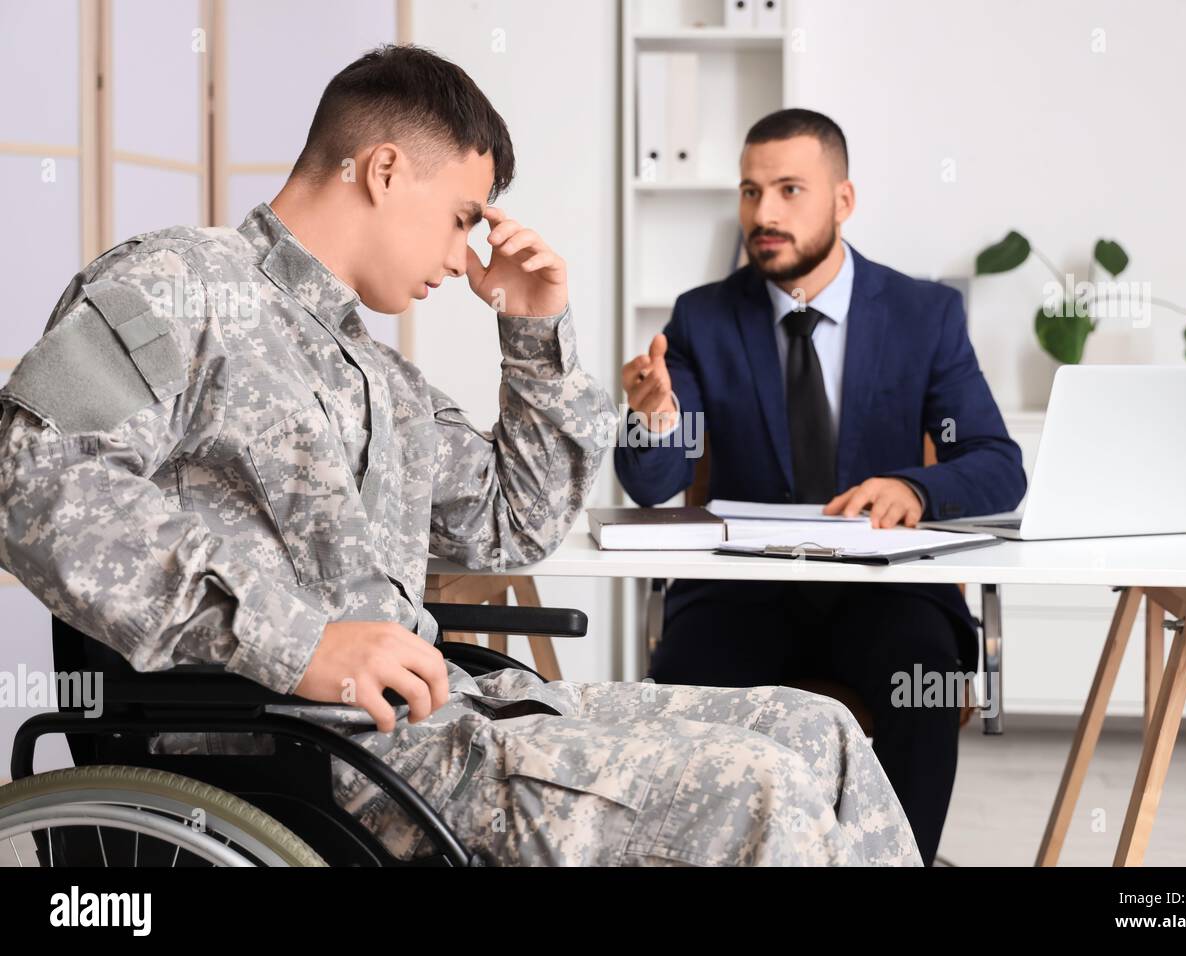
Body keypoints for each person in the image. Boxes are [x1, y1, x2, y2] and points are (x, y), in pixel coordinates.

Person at [0, 48, 920, 866]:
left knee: (823, 731)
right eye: (462, 215)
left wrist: (533, 330)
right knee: (760, 789)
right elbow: (29, 478)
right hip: (309, 750)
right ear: (387, 170)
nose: (465, 251)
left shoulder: (379, 374)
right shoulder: (183, 284)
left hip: (439, 716)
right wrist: (300, 639)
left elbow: (511, 522)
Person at [615, 109, 1026, 865]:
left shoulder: (922, 315)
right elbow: (653, 484)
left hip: (885, 596)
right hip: (741, 597)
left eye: (788, 190)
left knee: (924, 679)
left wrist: (915, 487)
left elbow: (999, 462)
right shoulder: (703, 318)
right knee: (683, 685)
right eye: (749, 191)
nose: (763, 214)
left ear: (843, 200)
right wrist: (654, 420)